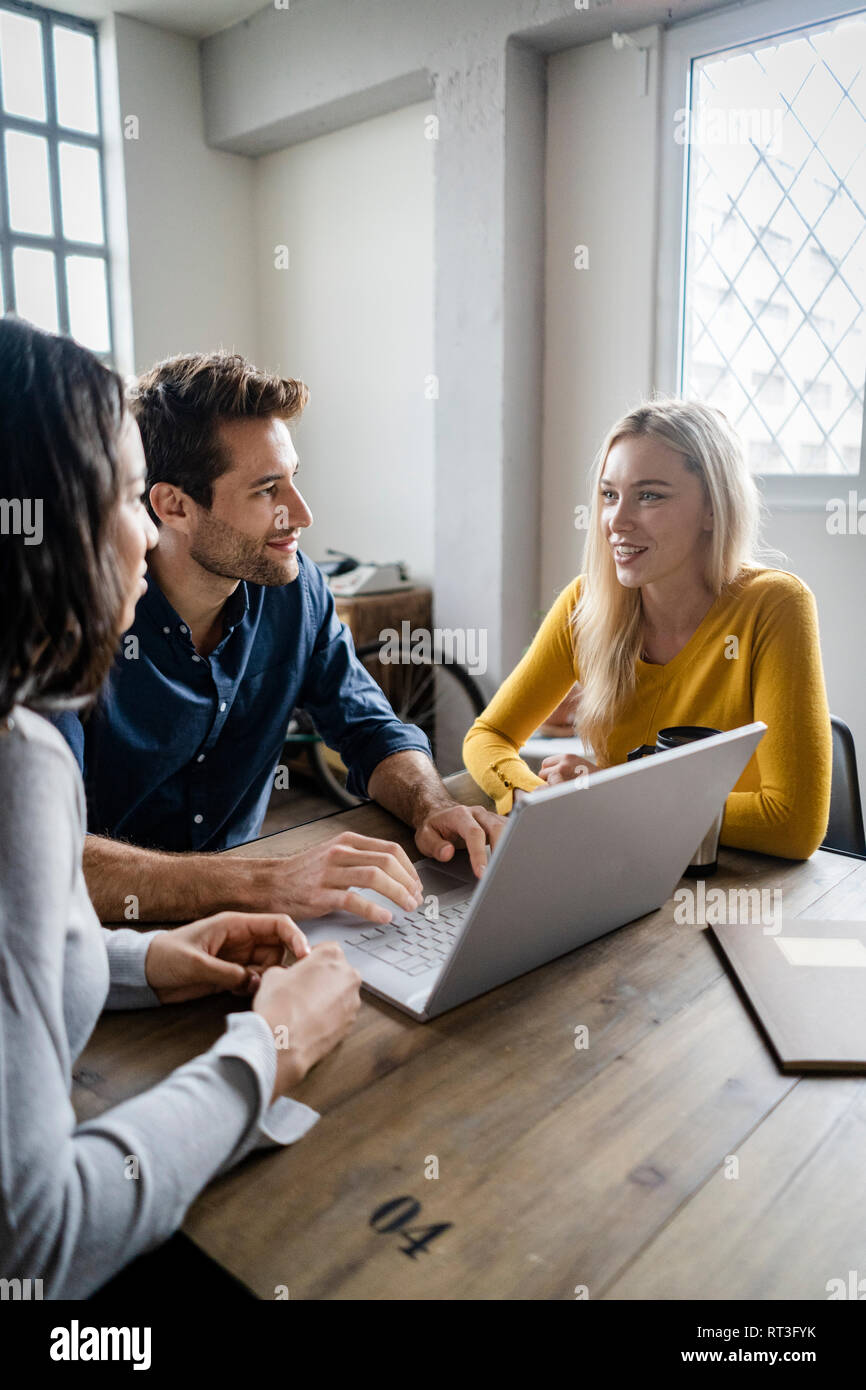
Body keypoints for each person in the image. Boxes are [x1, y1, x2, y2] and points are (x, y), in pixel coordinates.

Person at [0, 317, 363, 1298]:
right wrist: (273, 1048)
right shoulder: (19, 759)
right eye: (123, 498)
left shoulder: (299, 596)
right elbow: (37, 1243)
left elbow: (21, 962)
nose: (142, 534)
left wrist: (150, 960)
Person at [50, 351, 503, 927]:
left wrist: (432, 805)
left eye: (294, 479)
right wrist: (263, 882)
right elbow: (46, 858)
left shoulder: (295, 589)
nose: (303, 514)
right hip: (99, 939)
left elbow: (369, 729)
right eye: (268, 490)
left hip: (250, 917)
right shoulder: (74, 625)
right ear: (174, 506)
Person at [463, 398, 832, 860]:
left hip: (739, 884)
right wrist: (530, 797)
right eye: (609, 495)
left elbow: (792, 823)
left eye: (650, 495)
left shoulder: (774, 606)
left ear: (712, 510)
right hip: (622, 864)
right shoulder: (585, 604)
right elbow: (489, 736)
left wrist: (608, 794)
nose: (616, 522)